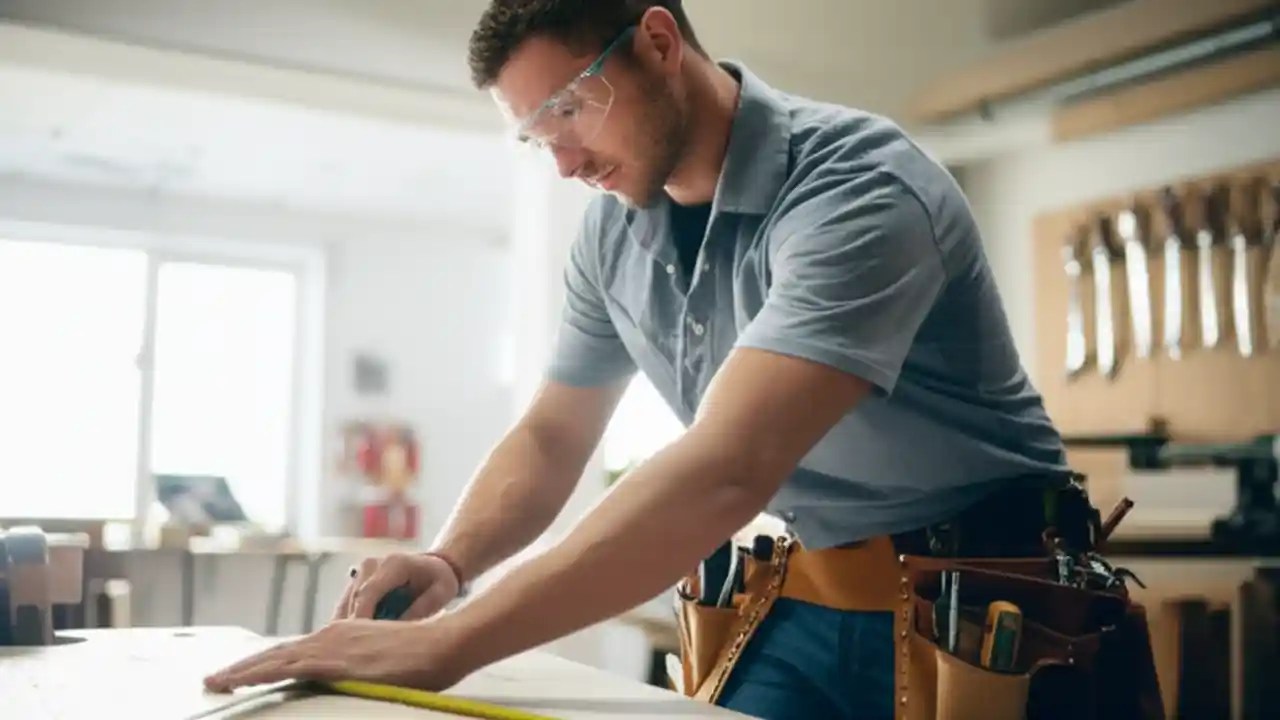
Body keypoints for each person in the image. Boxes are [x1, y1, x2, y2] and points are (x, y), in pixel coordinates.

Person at [204, 2, 1077, 717]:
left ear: (659, 44)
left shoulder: (856, 189)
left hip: (994, 609)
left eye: (571, 112)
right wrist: (448, 565)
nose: (565, 162)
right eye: (537, 137)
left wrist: (448, 646)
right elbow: (553, 434)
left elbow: (728, 469)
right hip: (809, 595)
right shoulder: (615, 234)